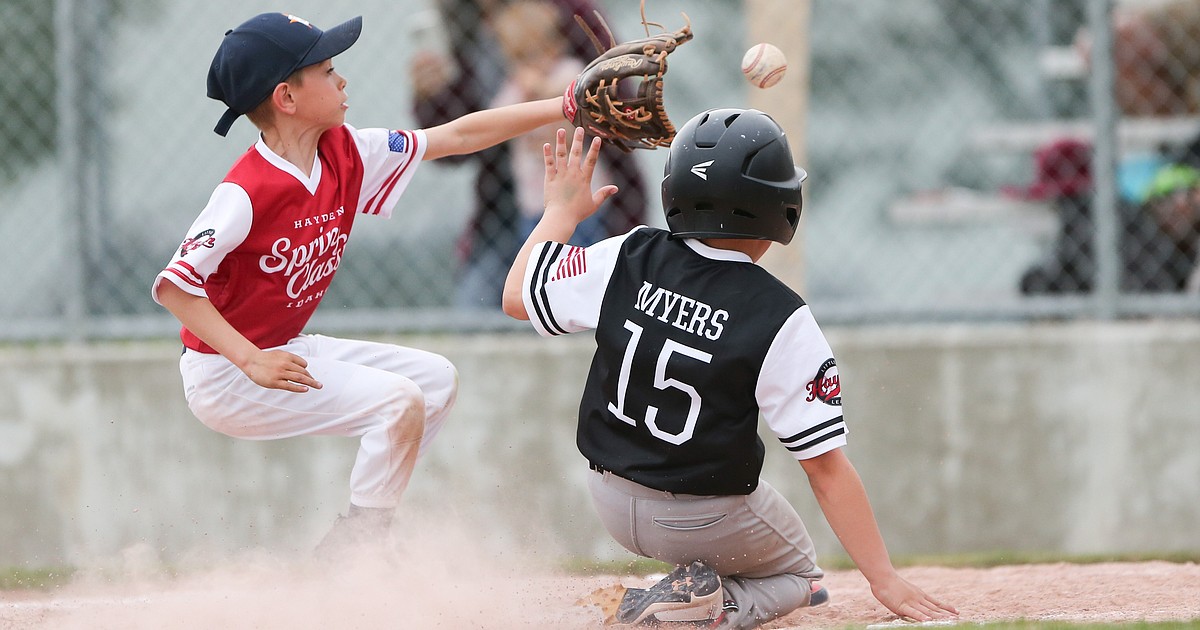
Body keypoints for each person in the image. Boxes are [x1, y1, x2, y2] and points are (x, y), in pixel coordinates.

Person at [501, 115, 960, 628]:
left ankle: (683, 587)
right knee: (802, 579)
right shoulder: (779, 315)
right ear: (778, 208)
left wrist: (560, 212)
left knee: (730, 534)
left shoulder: (630, 253)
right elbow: (824, 470)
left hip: (609, 500)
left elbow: (518, 297)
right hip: (703, 518)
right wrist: (884, 579)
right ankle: (709, 609)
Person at [151, 12, 574, 555]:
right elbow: (175, 286)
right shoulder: (246, 190)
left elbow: (457, 134)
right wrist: (250, 359)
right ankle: (358, 547)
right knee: (398, 401)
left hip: (281, 350)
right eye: (327, 70)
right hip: (226, 374)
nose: (342, 80)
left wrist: (567, 106)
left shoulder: (346, 153)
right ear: (286, 97)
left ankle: (366, 529)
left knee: (435, 382)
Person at [410, 0, 648, 309]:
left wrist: (558, 109)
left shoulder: (569, 14)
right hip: (510, 210)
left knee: (586, 296)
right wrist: (434, 97)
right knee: (488, 303)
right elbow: (466, 137)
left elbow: (620, 107)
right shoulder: (462, 24)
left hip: (589, 199)